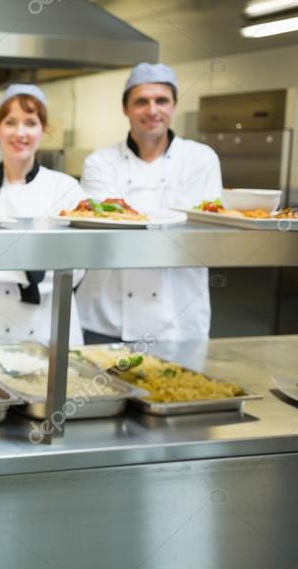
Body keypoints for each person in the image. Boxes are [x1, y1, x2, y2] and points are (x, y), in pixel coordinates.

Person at [76, 63, 223, 366]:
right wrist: (168, 216)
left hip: (177, 318)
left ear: (174, 106)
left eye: (161, 100)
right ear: (125, 108)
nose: (152, 110)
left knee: (173, 399)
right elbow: (104, 227)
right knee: (100, 401)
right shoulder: (99, 161)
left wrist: (127, 214)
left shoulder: (201, 159)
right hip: (106, 317)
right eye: (141, 101)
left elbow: (197, 229)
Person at [0, 84, 88, 346]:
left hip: (46, 324)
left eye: (30, 122)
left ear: (43, 129)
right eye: (10, 122)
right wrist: (33, 266)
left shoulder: (66, 188)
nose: (20, 133)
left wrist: (0, 262)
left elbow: (77, 263)